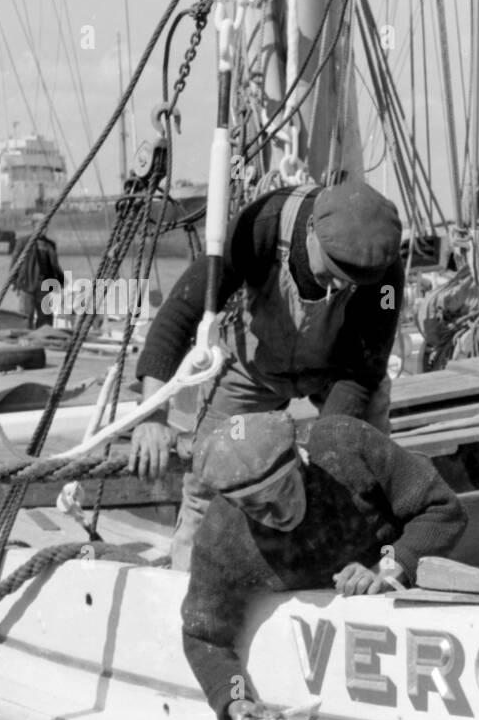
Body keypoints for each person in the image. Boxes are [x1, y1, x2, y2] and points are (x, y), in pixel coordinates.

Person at [129, 178, 405, 569]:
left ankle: (370, 567)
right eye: (329, 276)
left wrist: (324, 455)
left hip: (338, 372)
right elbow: (180, 313)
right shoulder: (263, 224)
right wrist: (152, 416)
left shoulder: (383, 271)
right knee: (211, 482)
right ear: (310, 231)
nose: (338, 287)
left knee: (363, 474)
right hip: (254, 365)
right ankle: (190, 577)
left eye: (350, 283)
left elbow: (360, 375)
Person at [181, 411, 467, 720]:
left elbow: (442, 509)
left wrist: (386, 570)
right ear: (231, 504)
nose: (281, 513)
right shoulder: (222, 537)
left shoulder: (345, 445)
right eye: (256, 508)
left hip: (418, 617)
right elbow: (204, 635)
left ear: (301, 463)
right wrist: (236, 703)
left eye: (284, 489)